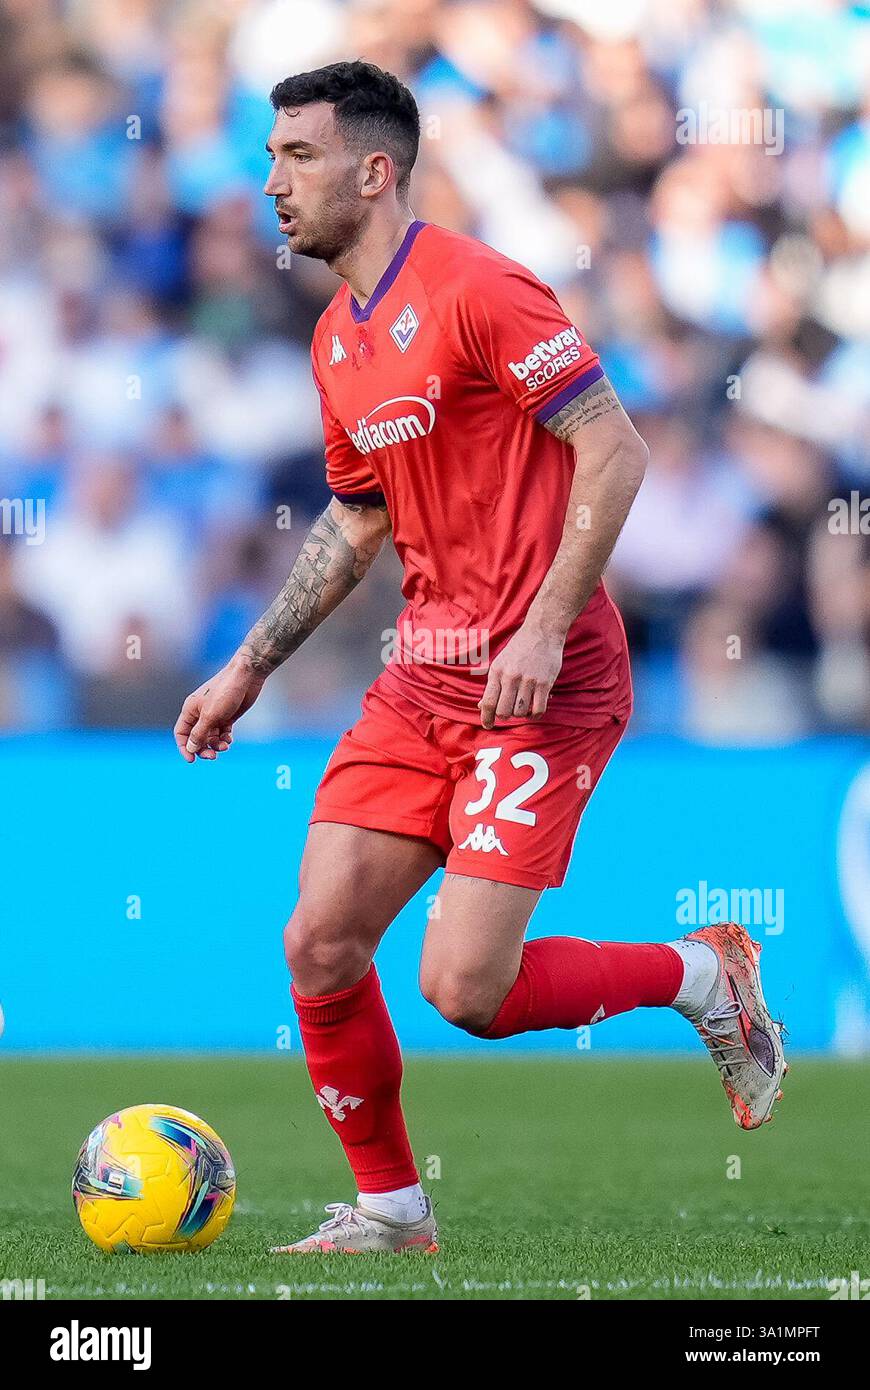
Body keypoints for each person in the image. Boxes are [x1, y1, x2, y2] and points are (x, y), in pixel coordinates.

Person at [174, 61, 785, 1255]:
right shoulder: (337, 340)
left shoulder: (480, 289)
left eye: (295, 157)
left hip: (545, 683)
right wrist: (247, 666)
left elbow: (616, 453)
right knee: (320, 941)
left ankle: (703, 975)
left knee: (467, 992)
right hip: (426, 675)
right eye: (269, 157)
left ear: (374, 168)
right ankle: (396, 1211)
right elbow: (357, 523)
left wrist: (547, 624)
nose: (272, 183)